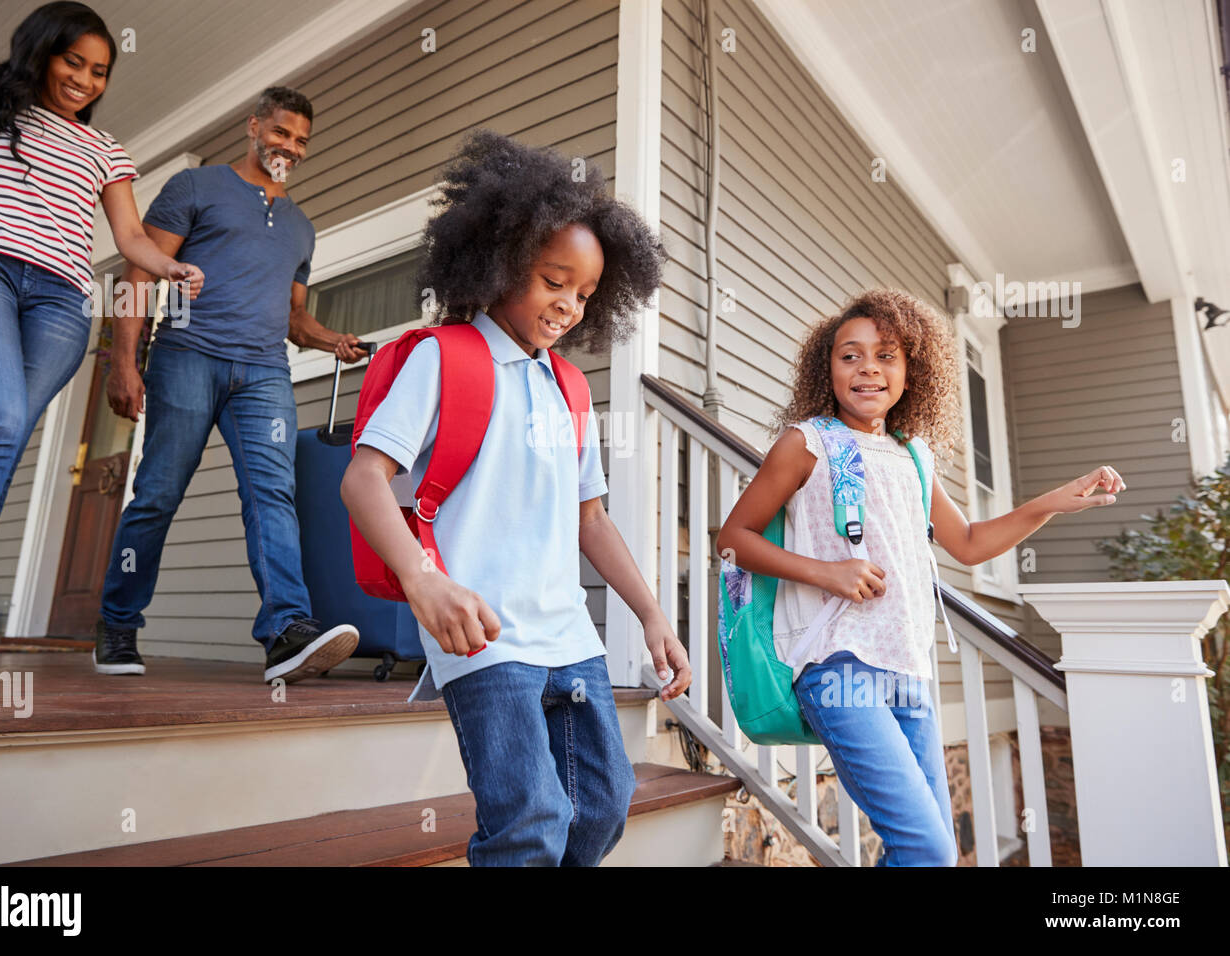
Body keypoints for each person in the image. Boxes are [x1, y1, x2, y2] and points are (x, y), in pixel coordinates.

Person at [342, 130, 691, 866]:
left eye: (587, 293)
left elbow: (589, 519)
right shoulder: (442, 359)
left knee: (600, 807)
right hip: (486, 634)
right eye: (553, 279)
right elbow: (363, 478)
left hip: (571, 637)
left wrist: (652, 613)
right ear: (499, 261)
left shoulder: (567, 387)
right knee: (529, 819)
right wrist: (423, 580)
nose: (569, 304)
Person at [717, 289, 1126, 866]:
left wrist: (1053, 502)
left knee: (930, 854)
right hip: (840, 669)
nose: (868, 369)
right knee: (926, 848)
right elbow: (734, 540)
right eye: (849, 355)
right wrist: (826, 572)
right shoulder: (808, 444)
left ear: (912, 371)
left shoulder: (914, 454)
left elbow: (970, 542)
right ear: (826, 368)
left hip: (909, 671)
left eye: (886, 355)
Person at [0, 1, 204, 676]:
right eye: (73, 62)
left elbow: (131, 237)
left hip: (60, 301)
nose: (86, 80)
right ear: (42, 52)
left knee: (0, 439)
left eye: (100, 71)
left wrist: (170, 265)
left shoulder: (104, 149)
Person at [95, 86, 368, 683]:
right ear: (254, 127)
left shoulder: (302, 227)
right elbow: (139, 270)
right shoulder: (196, 188)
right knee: (158, 495)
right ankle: (117, 621)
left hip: (264, 372)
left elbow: (295, 320)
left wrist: (332, 342)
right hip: (188, 357)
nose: (290, 147)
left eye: (300, 140)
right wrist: (123, 361)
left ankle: (286, 629)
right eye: (281, 133)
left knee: (272, 495)